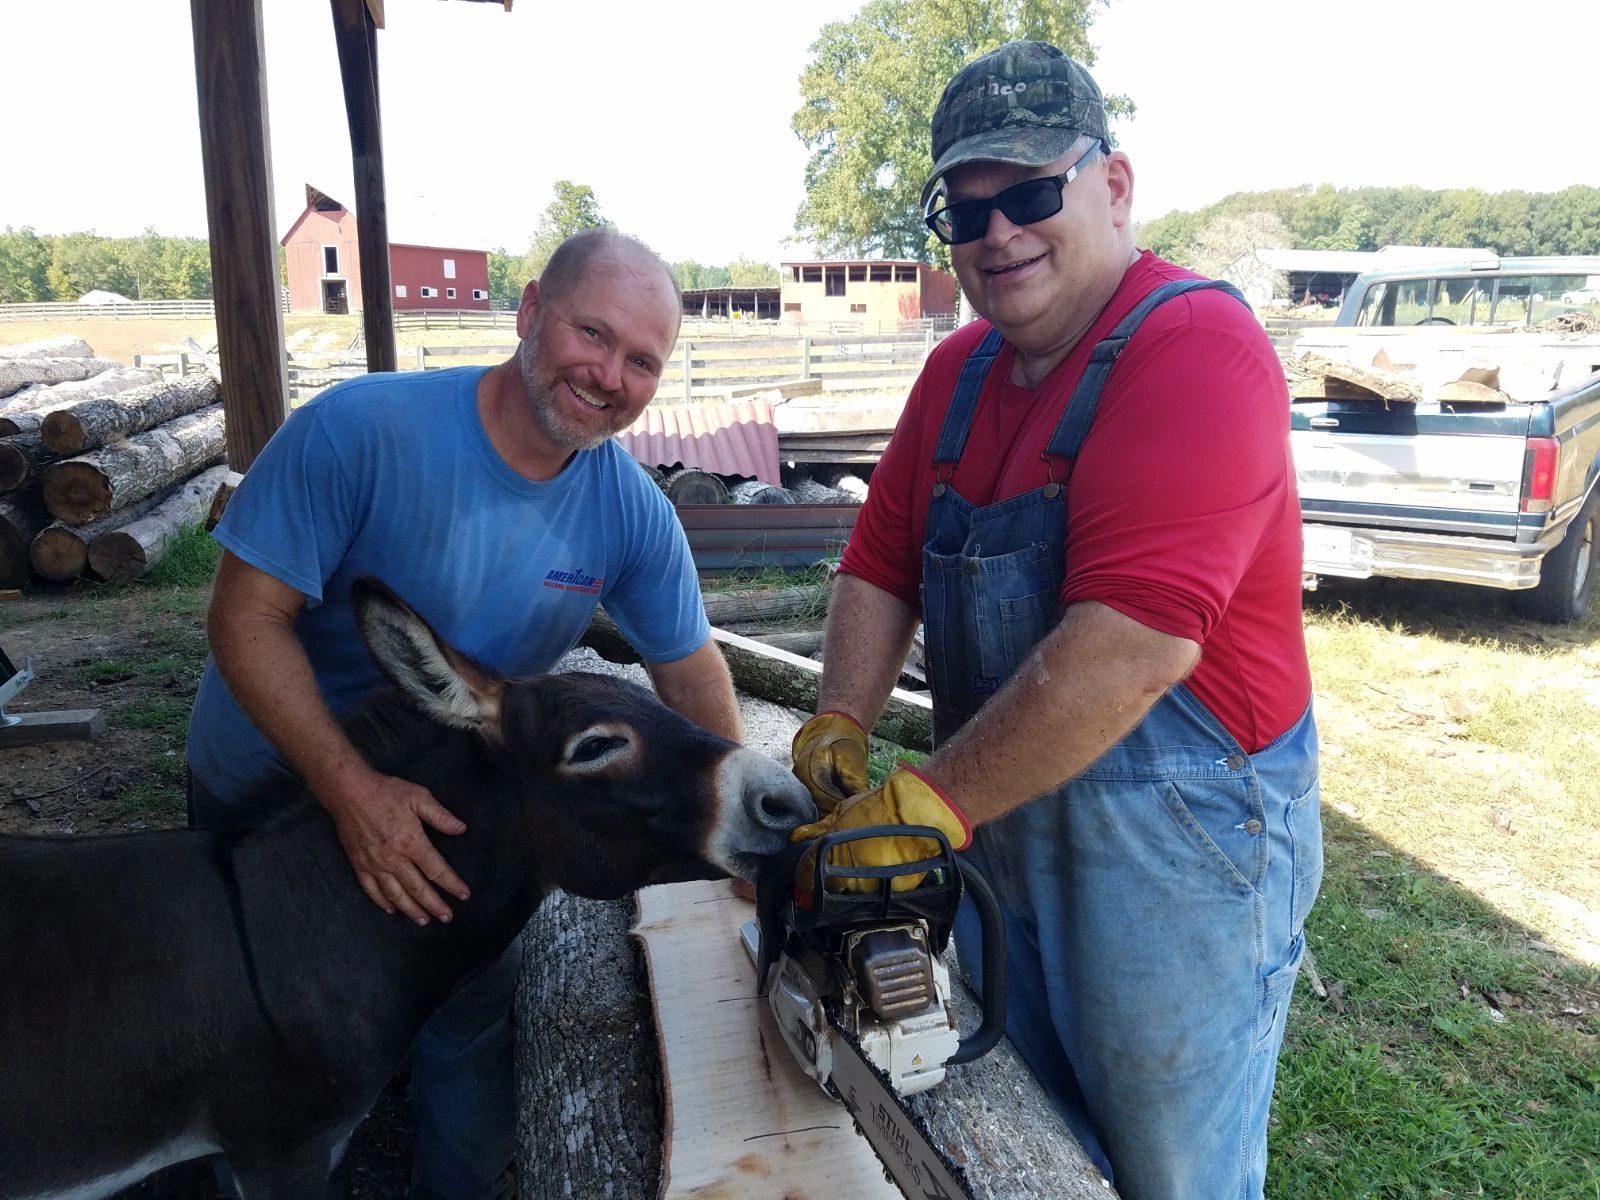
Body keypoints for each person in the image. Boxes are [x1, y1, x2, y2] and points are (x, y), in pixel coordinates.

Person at [788, 41, 1322, 1200]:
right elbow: (878, 564)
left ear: (1113, 187)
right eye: (965, 212)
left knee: (1170, 1171)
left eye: (1030, 194)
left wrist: (929, 802)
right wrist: (838, 717)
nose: (997, 235)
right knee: (1023, 1135)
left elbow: (1132, 649)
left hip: (1181, 852)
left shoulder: (1193, 349)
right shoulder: (959, 376)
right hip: (1004, 809)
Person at [186, 228, 741, 1200]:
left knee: (463, 1016)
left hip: (456, 808)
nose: (609, 374)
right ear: (529, 313)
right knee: (253, 1039)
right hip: (270, 787)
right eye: (591, 333)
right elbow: (243, 620)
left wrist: (733, 823)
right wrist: (350, 791)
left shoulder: (628, 511)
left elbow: (691, 676)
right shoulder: (359, 431)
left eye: (641, 360)